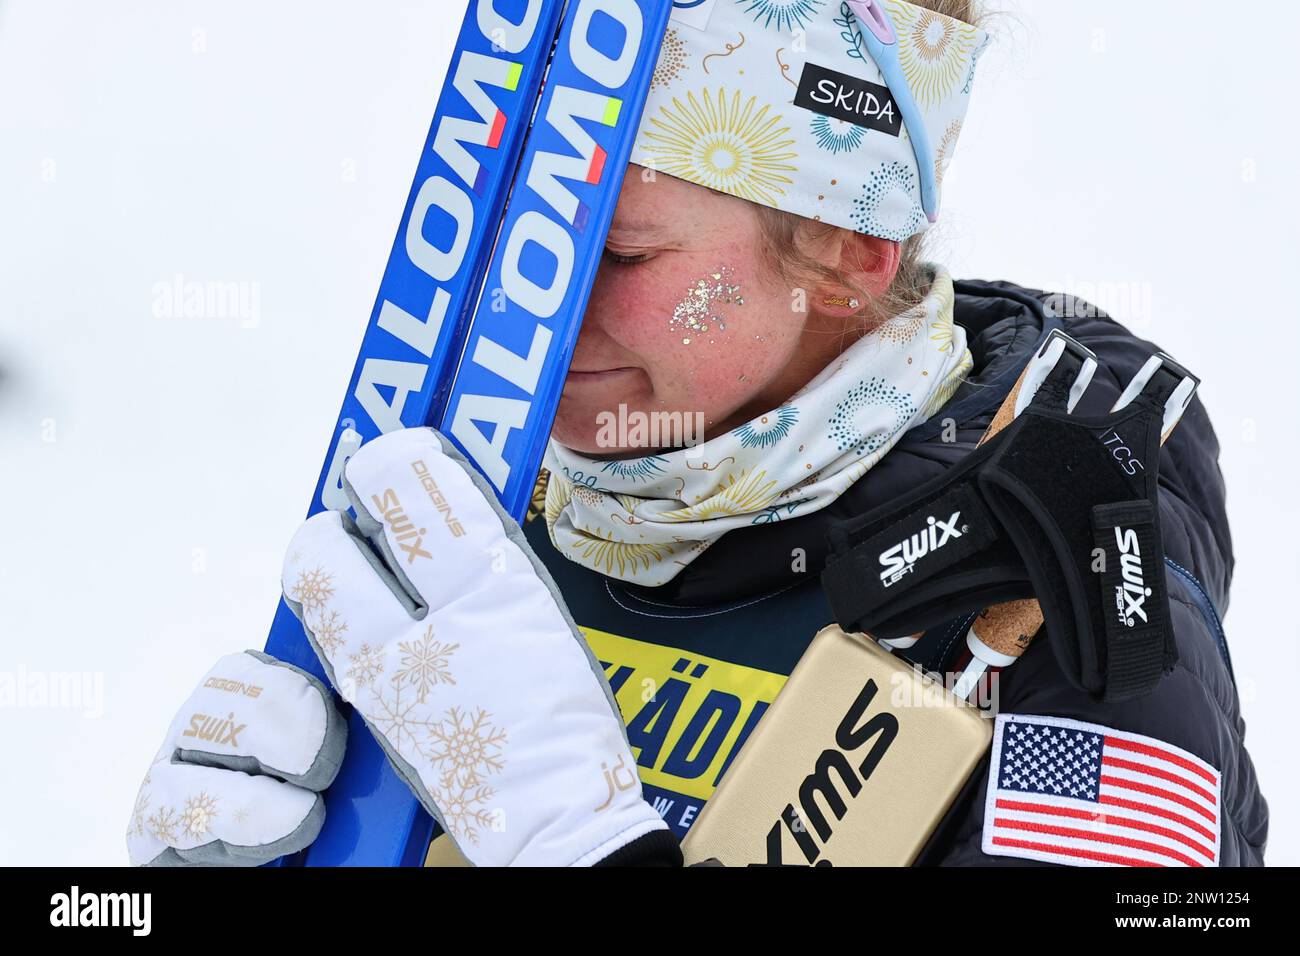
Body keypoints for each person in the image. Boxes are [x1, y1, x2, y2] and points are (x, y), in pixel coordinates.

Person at [126, 0, 1268, 867]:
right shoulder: (491, 520)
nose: (537, 309)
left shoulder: (1080, 608)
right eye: (525, 234)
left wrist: (585, 846)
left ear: (846, 248)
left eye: (619, 253)